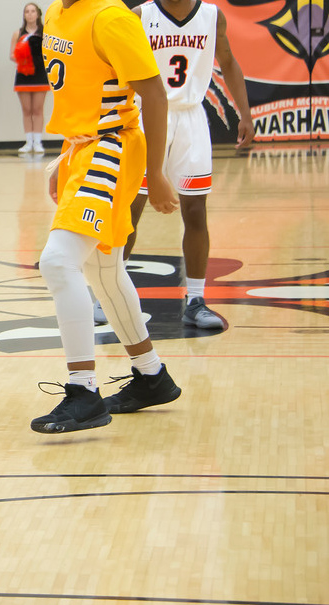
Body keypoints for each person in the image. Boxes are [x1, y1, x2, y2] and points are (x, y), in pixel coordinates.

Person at [31, 0, 182, 434]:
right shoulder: (57, 14)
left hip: (113, 147)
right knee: (103, 270)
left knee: (58, 261)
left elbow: (153, 92)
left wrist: (156, 173)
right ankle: (151, 376)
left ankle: (83, 391)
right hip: (84, 146)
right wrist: (65, 156)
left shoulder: (111, 17)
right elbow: (81, 94)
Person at [122, 0, 254, 329]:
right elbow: (119, 71)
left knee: (195, 211)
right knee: (129, 209)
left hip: (191, 118)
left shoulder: (212, 16)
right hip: (144, 116)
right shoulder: (141, 15)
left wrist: (245, 113)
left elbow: (228, 62)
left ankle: (195, 299)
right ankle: (111, 294)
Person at [11, 3, 47, 154]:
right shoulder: (18, 33)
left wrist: (37, 57)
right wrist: (24, 55)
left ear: (38, 14)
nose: (30, 14)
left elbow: (49, 54)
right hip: (23, 75)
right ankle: (28, 142)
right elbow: (12, 55)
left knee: (38, 109)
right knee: (27, 110)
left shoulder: (45, 32)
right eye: (27, 11)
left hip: (40, 74)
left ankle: (38, 143)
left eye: (33, 11)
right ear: (24, 15)